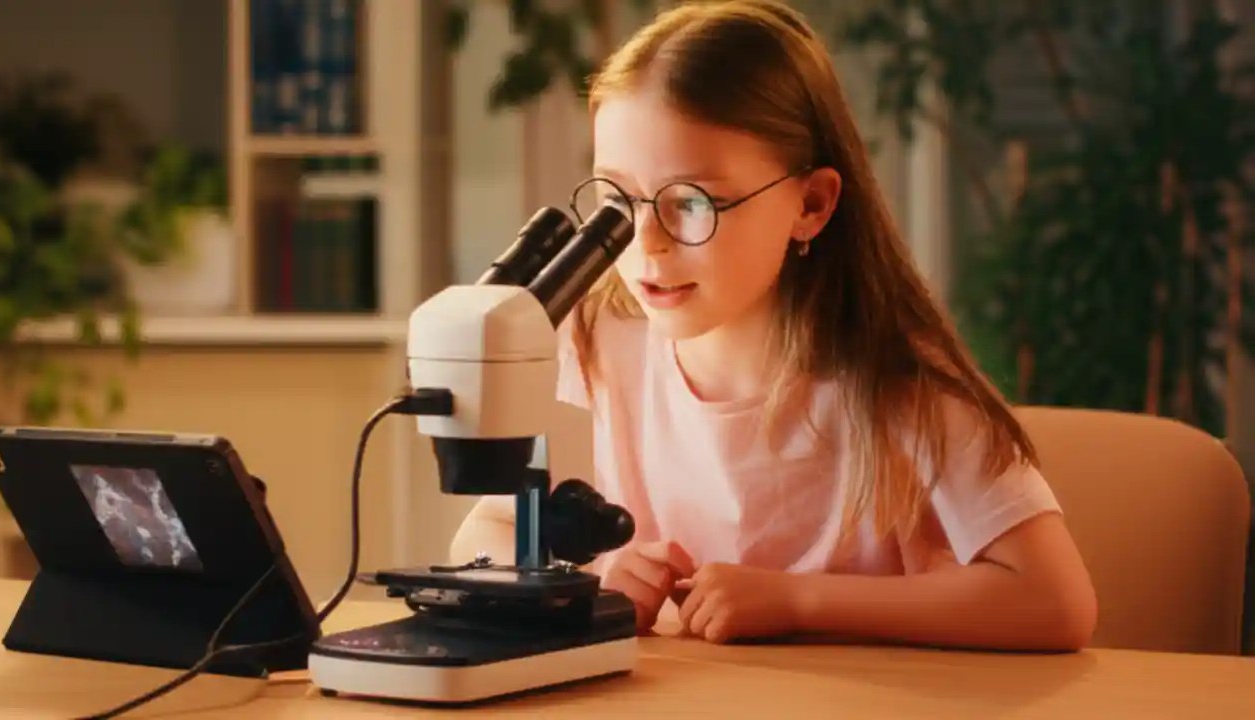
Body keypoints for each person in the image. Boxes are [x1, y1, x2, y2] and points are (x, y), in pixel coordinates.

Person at [451, 0, 1096, 651]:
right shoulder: (594, 345)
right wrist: (584, 577)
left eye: (693, 202)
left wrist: (798, 599)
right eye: (619, 199)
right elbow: (486, 535)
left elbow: (1055, 601)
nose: (647, 242)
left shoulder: (899, 377)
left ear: (810, 205)